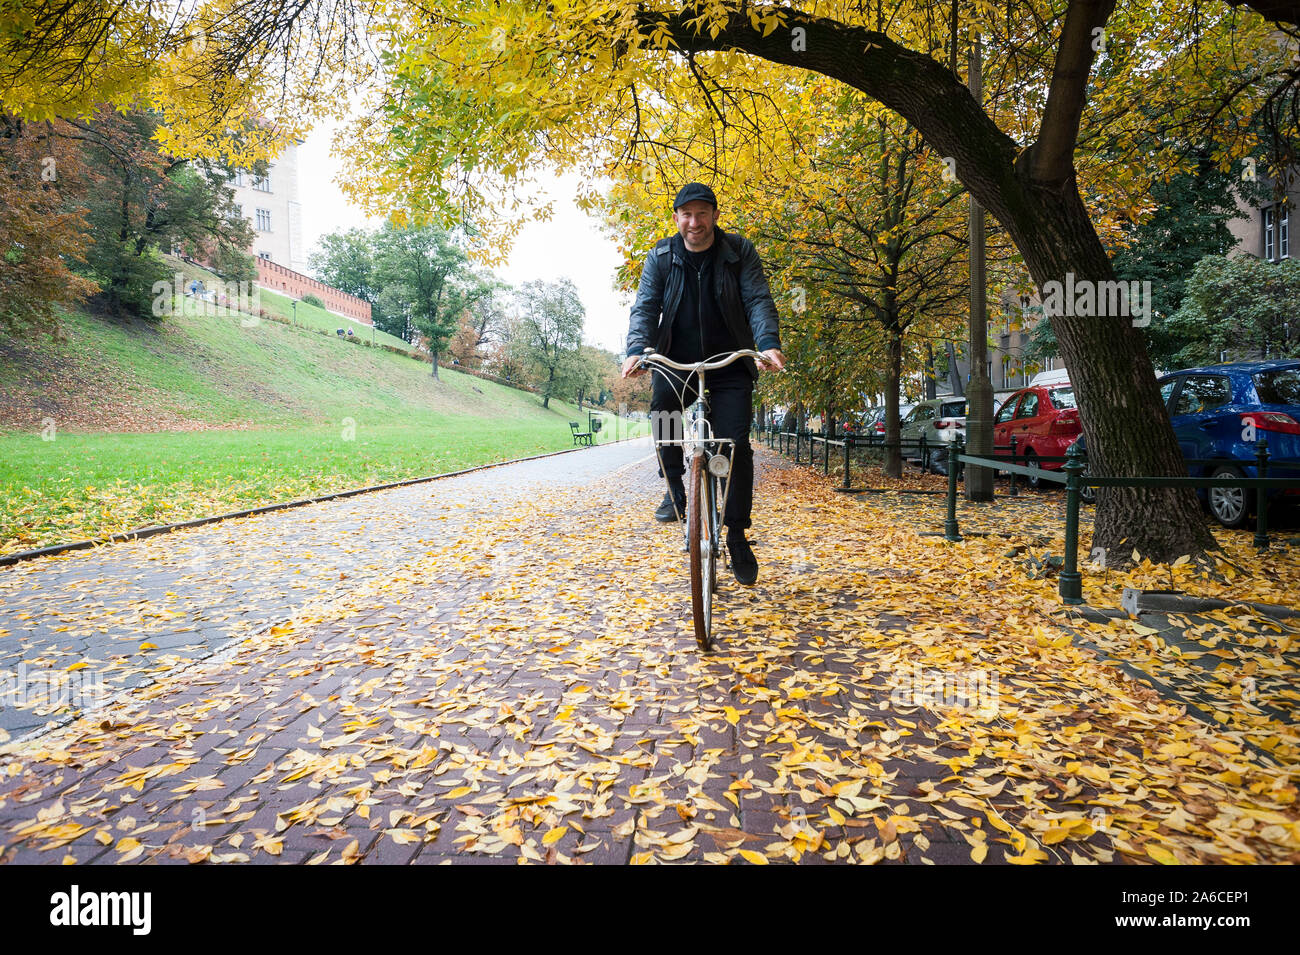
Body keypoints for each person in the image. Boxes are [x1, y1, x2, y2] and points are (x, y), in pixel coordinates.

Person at [621, 182, 786, 585]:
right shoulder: (661, 255)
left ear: (714, 215)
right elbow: (646, 305)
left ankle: (736, 534)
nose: (694, 222)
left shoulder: (739, 252)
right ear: (676, 218)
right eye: (686, 214)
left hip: (729, 360)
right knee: (663, 411)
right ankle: (676, 486)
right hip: (676, 357)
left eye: (702, 213)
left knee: (736, 444)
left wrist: (767, 344)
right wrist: (638, 348)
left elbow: (757, 300)